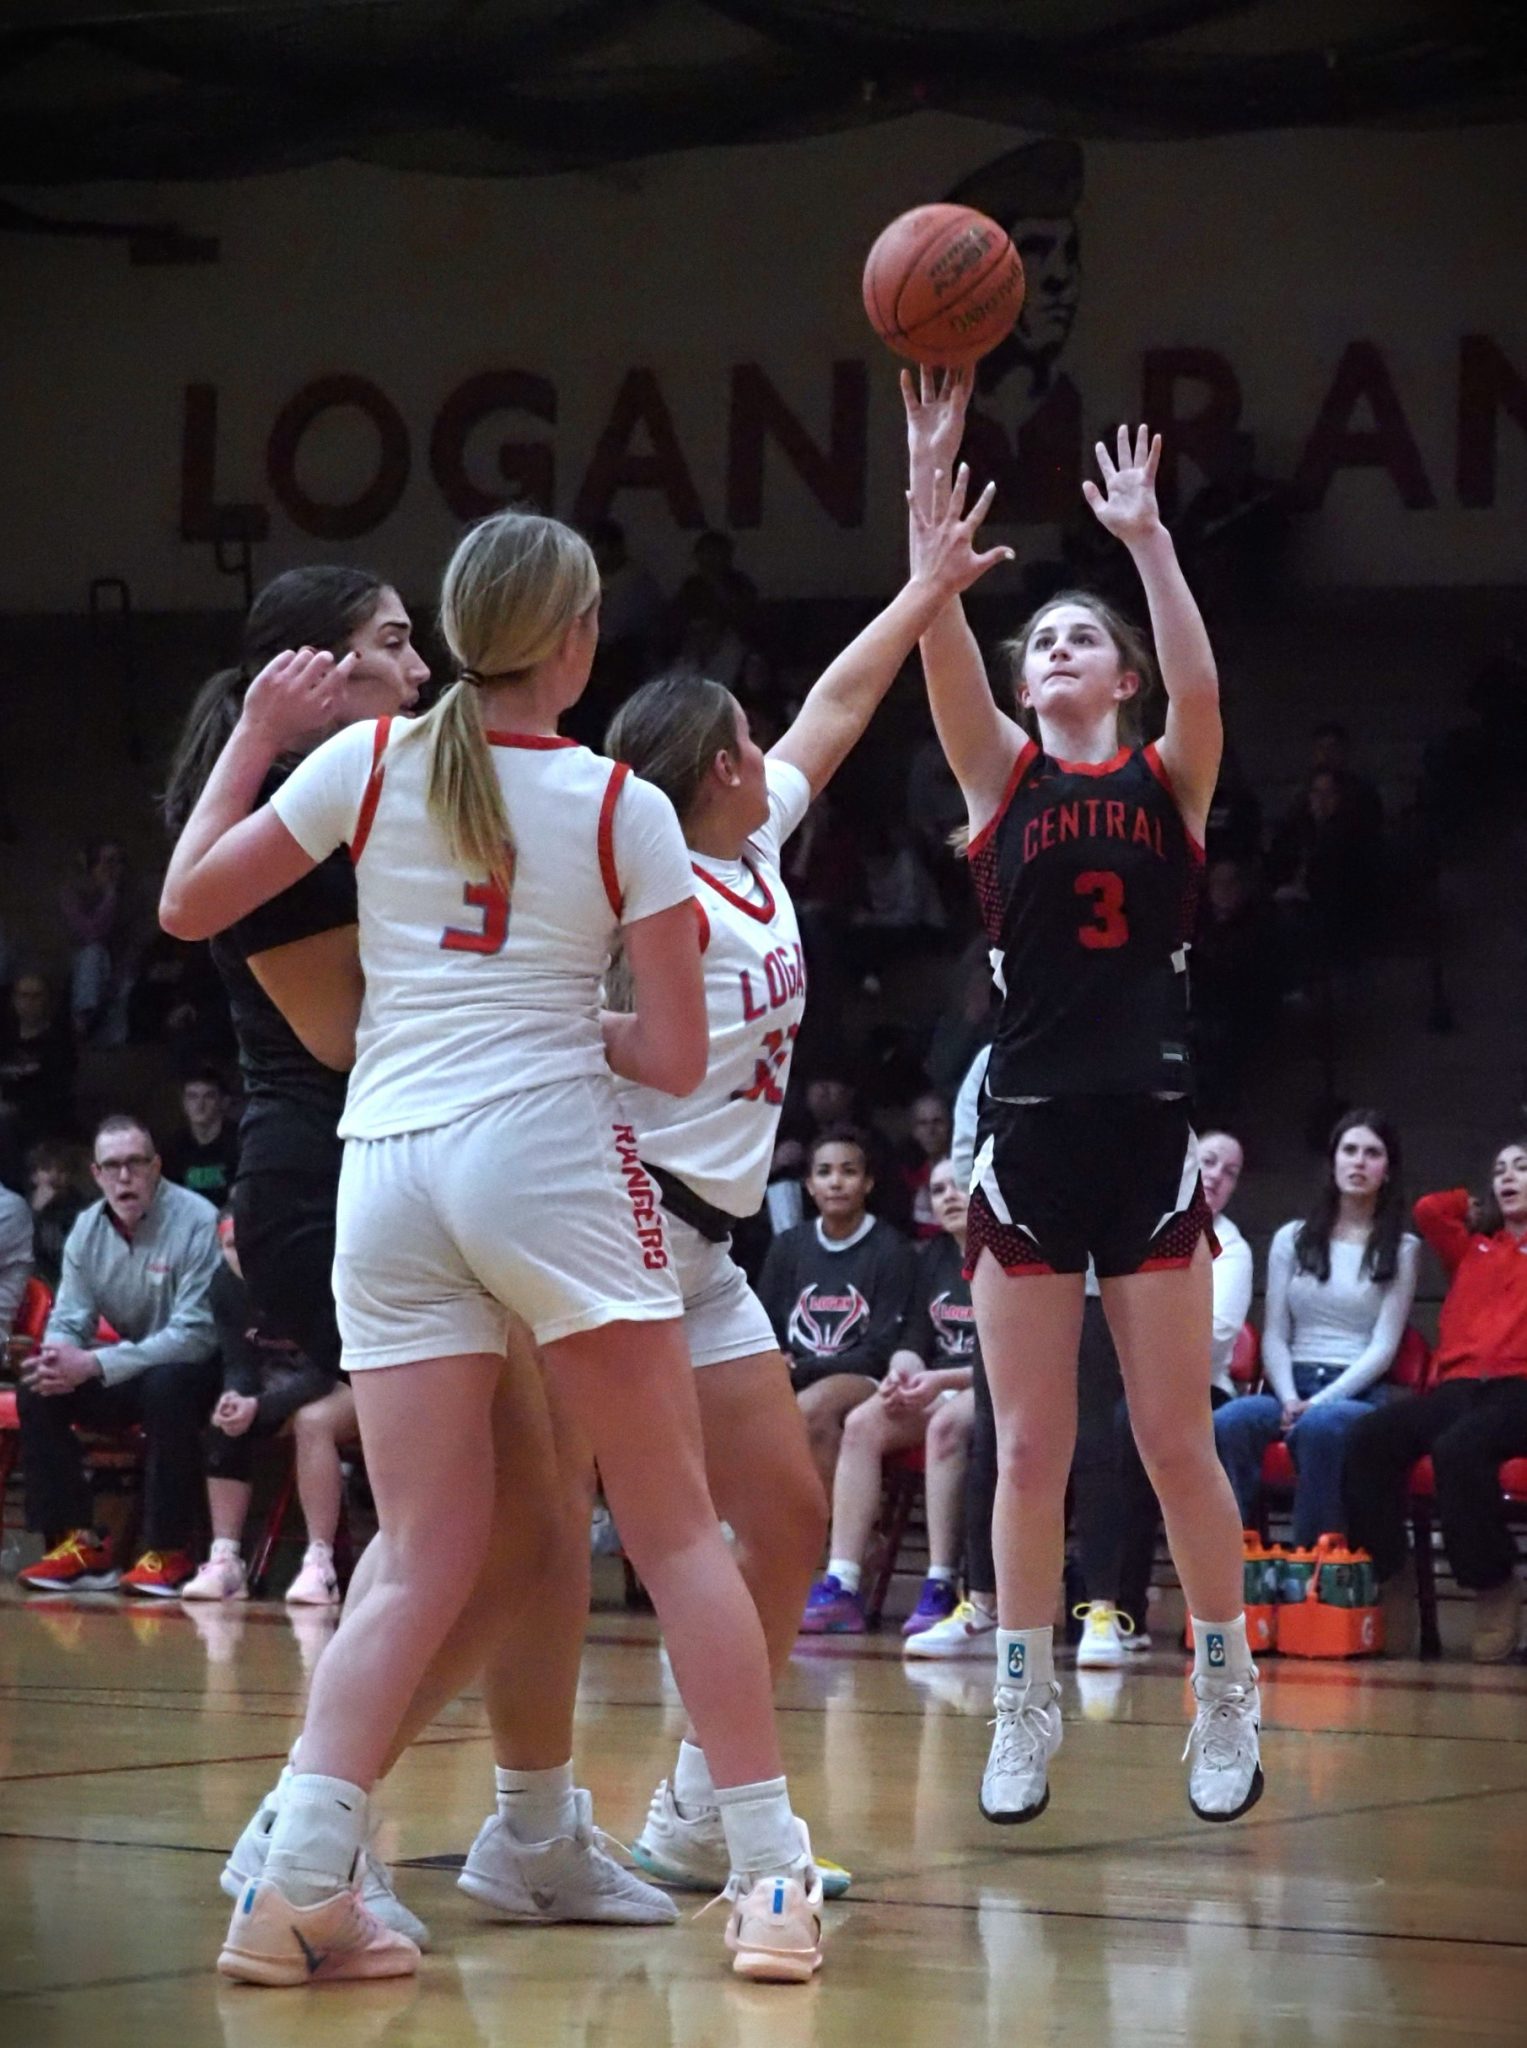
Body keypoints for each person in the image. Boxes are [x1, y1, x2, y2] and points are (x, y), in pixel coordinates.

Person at [161, 509, 826, 1986]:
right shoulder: (615, 805)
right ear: (577, 642)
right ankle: (773, 1883)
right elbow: (662, 1054)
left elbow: (184, 898)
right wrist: (557, 1021)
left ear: (460, 635)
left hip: (385, 1173)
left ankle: (289, 1891)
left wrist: (253, 741)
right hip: (540, 1159)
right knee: (667, 1531)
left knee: (420, 1560)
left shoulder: (365, 760)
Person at [601, 471, 1005, 1899]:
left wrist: (923, 586)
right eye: (737, 738)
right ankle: (316, 1823)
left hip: (708, 1251)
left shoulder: (750, 837)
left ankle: (694, 1817)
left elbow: (836, 707)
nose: (761, 744)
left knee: (777, 1525)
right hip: (615, 1232)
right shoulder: (637, 889)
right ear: (701, 767)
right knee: (509, 1549)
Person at [906, 366, 1264, 1826]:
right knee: (1028, 1444)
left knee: (1173, 1440)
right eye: (1035, 640)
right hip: (1027, 1147)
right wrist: (927, 494)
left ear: (1112, 678)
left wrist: (1145, 544)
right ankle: (1018, 1691)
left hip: (1147, 1141)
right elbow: (936, 638)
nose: (1051, 650)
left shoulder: (1169, 776)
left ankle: (1225, 1679)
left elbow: (1201, 683)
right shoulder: (996, 783)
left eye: (1076, 640)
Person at [15, 1113, 222, 1596]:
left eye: (135, 1163)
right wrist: (58, 1356)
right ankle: (77, 1543)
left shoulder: (197, 1220)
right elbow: (70, 1317)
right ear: (96, 1175)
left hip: (201, 1371)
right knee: (38, 1387)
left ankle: (169, 1551)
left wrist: (94, 1364)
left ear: (157, 1167)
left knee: (168, 1383)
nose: (125, 1177)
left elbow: (194, 1335)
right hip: (132, 1368)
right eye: (113, 1166)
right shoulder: (87, 1230)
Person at [1344, 1140, 1527, 1663]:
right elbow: (1429, 1210)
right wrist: (1469, 1203)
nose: (1508, 1177)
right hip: (1459, 1386)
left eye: (1522, 1167)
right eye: (1499, 1169)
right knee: (1369, 1438)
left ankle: (1492, 1585)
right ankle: (1390, 1576)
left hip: (1520, 1390)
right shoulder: (1474, 1246)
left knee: (1459, 1450)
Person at [1214, 1112, 1417, 1548]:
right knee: (1231, 1421)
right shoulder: (1292, 1237)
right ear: (1333, 1162)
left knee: (1321, 1427)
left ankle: (1311, 1565)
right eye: (1349, 1150)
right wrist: (1289, 1398)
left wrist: (1318, 1402)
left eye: (1372, 1153)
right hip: (1289, 1384)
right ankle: (1230, 1559)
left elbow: (1384, 1347)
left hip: (1357, 1393)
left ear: (1387, 1170)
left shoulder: (1403, 1248)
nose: (1359, 1162)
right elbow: (1274, 1334)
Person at [802, 1157, 978, 1636]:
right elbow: (914, 1338)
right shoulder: (934, 1257)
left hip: (991, 1388)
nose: (949, 1196)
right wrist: (905, 1371)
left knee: (945, 1427)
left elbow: (1009, 1359)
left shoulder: (1006, 1256)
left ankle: (941, 1581)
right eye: (939, 1189)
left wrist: (941, 1383)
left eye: (960, 1185)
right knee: (862, 1422)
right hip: (936, 1385)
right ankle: (843, 1581)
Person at [1110, 1130, 1254, 1648]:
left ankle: (1127, 1612)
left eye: (1230, 1171)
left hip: (1199, 1387)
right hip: (1124, 1376)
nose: (1216, 1175)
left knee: (1137, 1424)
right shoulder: (1133, 1223)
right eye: (1209, 1161)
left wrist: (1135, 1340)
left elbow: (1214, 1341)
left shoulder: (1232, 1249)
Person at [180, 1206, 358, 1606]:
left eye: (249, 1245)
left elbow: (321, 1373)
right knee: (224, 1419)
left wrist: (259, 1406)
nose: (243, 1256)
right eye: (230, 1247)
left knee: (313, 1422)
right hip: (281, 1381)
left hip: (349, 1377)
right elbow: (239, 1363)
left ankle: (320, 1564)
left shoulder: (312, 1275)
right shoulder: (224, 1285)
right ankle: (225, 1559)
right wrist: (237, 1397)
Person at [759, 1126, 918, 1497]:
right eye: (825, 1172)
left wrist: (804, 1367)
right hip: (794, 1370)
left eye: (849, 1172)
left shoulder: (892, 1251)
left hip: (866, 1377)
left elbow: (881, 1349)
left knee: (812, 1407)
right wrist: (775, 1358)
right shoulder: (787, 1247)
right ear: (810, 1185)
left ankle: (833, 1539)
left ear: (868, 1183)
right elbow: (762, 1321)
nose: (836, 1183)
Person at [162, 1067, 241, 1206]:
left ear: (224, 1102)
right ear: (184, 1103)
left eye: (209, 1096)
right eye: (193, 1096)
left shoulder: (241, 1142)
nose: (200, 1104)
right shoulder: (173, 1148)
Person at [24, 1141, 91, 1292]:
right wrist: (35, 1212)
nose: (54, 1176)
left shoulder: (81, 1211)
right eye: (47, 1169)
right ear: (34, 1176)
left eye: (61, 1171)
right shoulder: (21, 1209)